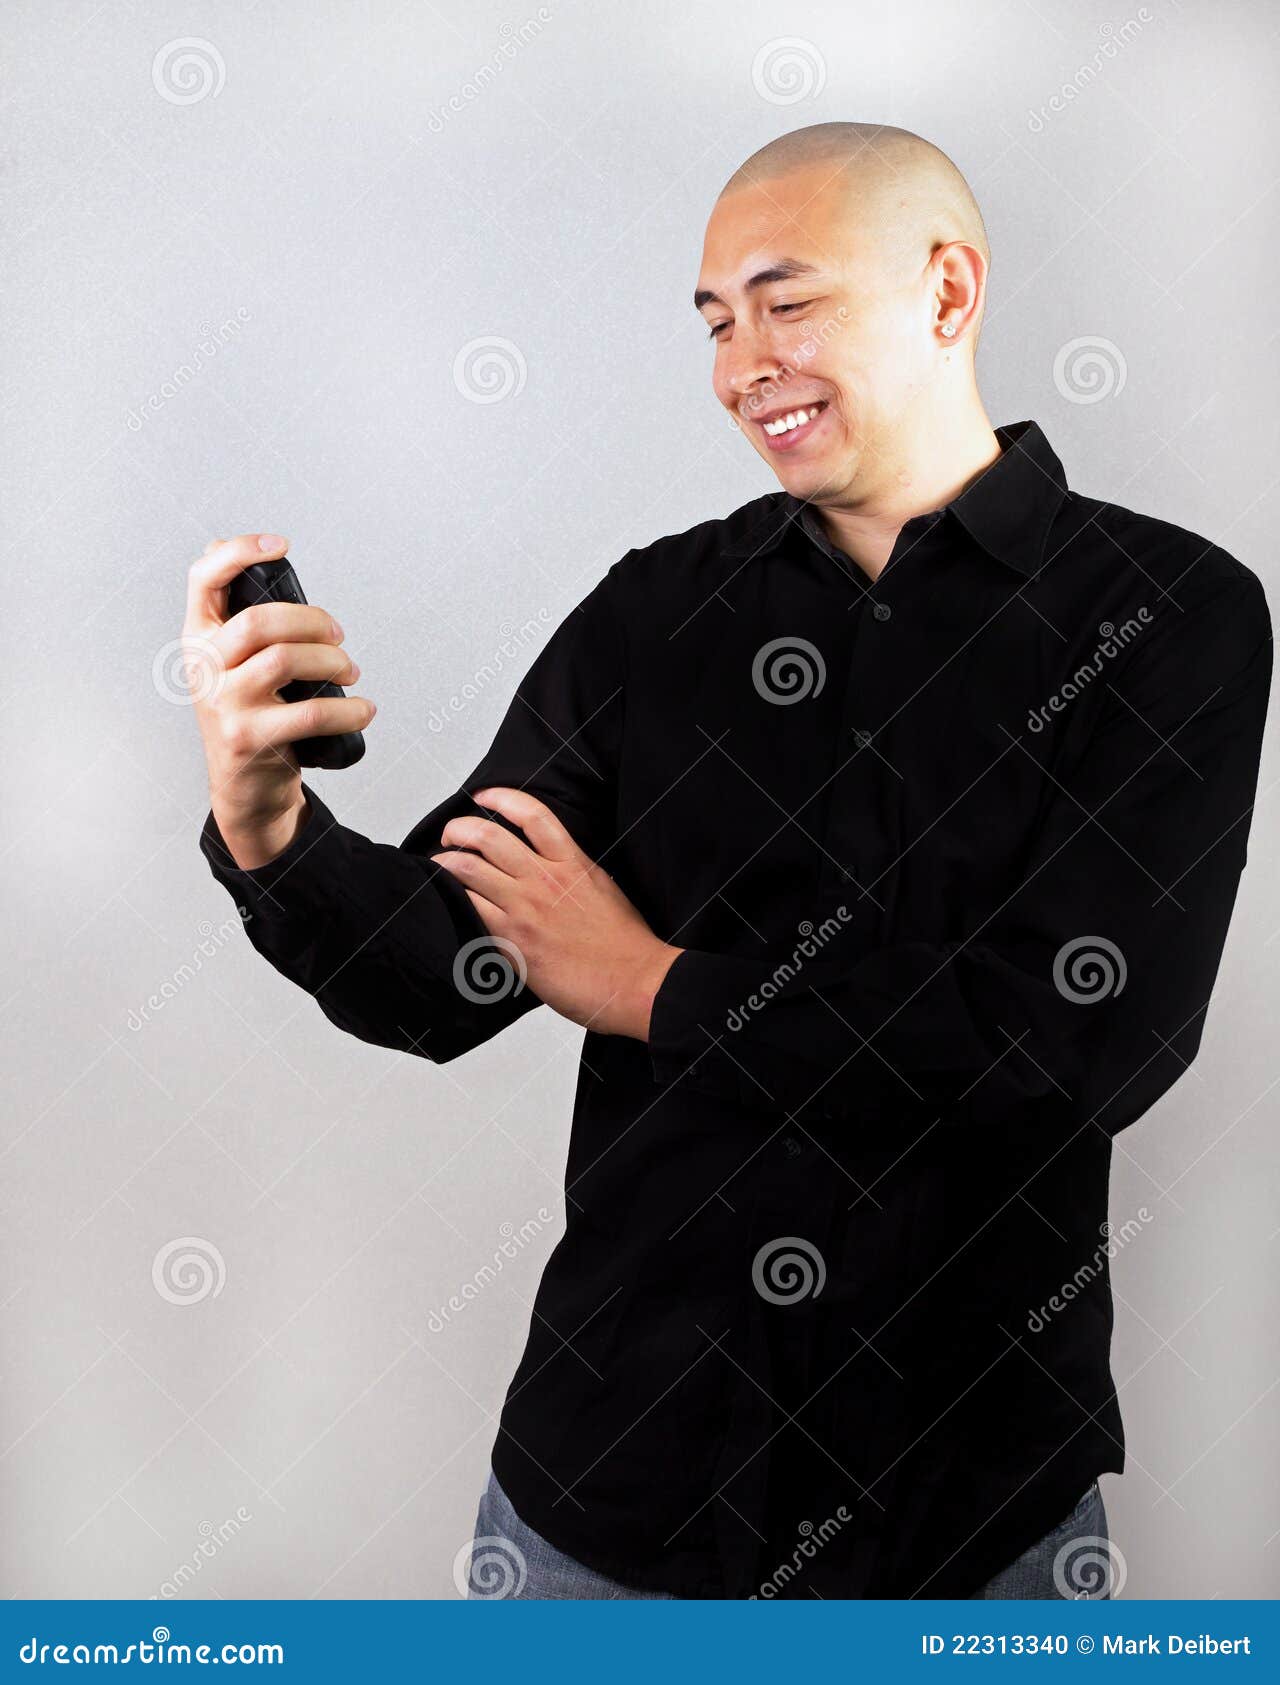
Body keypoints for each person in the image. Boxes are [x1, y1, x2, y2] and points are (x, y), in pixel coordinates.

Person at [185, 123, 1271, 1598]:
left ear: (948, 291)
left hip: (966, 1525)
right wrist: (269, 827)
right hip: (606, 1503)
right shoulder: (654, 618)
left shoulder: (1170, 614)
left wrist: (654, 986)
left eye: (787, 300)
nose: (741, 360)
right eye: (714, 320)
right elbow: (447, 972)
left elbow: (1082, 1041)